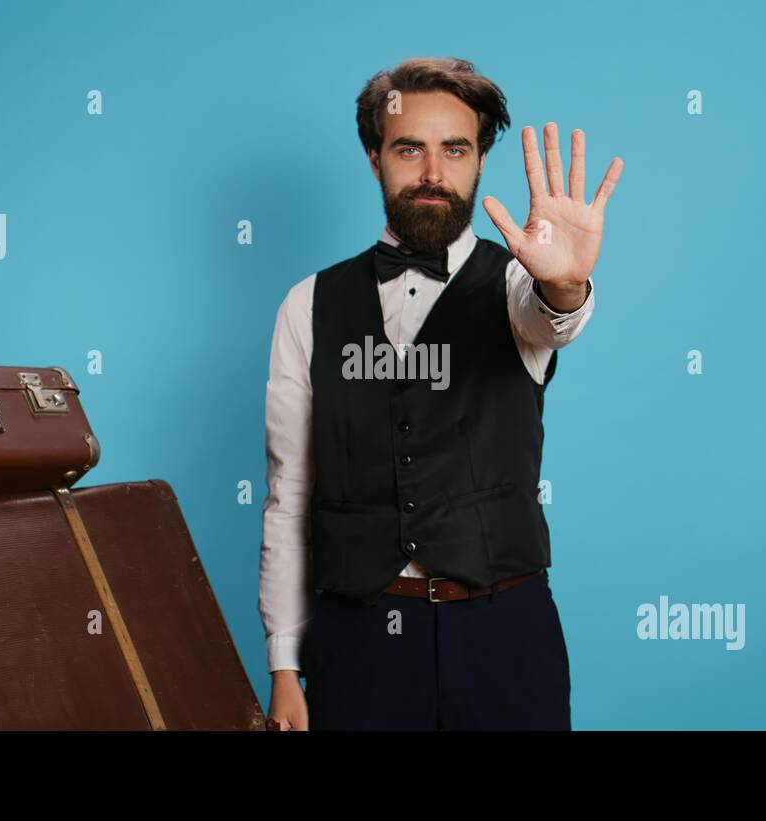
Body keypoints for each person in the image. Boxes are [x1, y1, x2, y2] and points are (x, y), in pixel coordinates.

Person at [259, 56, 624, 730]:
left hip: (505, 632)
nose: (432, 173)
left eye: (454, 149)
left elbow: (553, 317)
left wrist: (566, 284)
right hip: (357, 637)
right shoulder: (306, 306)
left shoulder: (518, 288)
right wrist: (285, 666)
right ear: (375, 158)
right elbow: (289, 498)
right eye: (409, 148)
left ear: (481, 159)